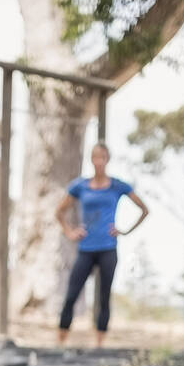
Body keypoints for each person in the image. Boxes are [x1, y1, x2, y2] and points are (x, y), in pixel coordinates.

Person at [54, 142, 148, 347]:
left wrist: (125, 230)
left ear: (107, 160)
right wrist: (70, 231)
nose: (99, 161)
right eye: (96, 157)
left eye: (103, 157)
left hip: (108, 247)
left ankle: (100, 343)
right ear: (91, 159)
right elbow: (59, 212)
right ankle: (60, 341)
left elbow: (144, 209)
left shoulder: (117, 186)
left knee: (104, 296)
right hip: (86, 248)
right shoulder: (80, 186)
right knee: (71, 294)